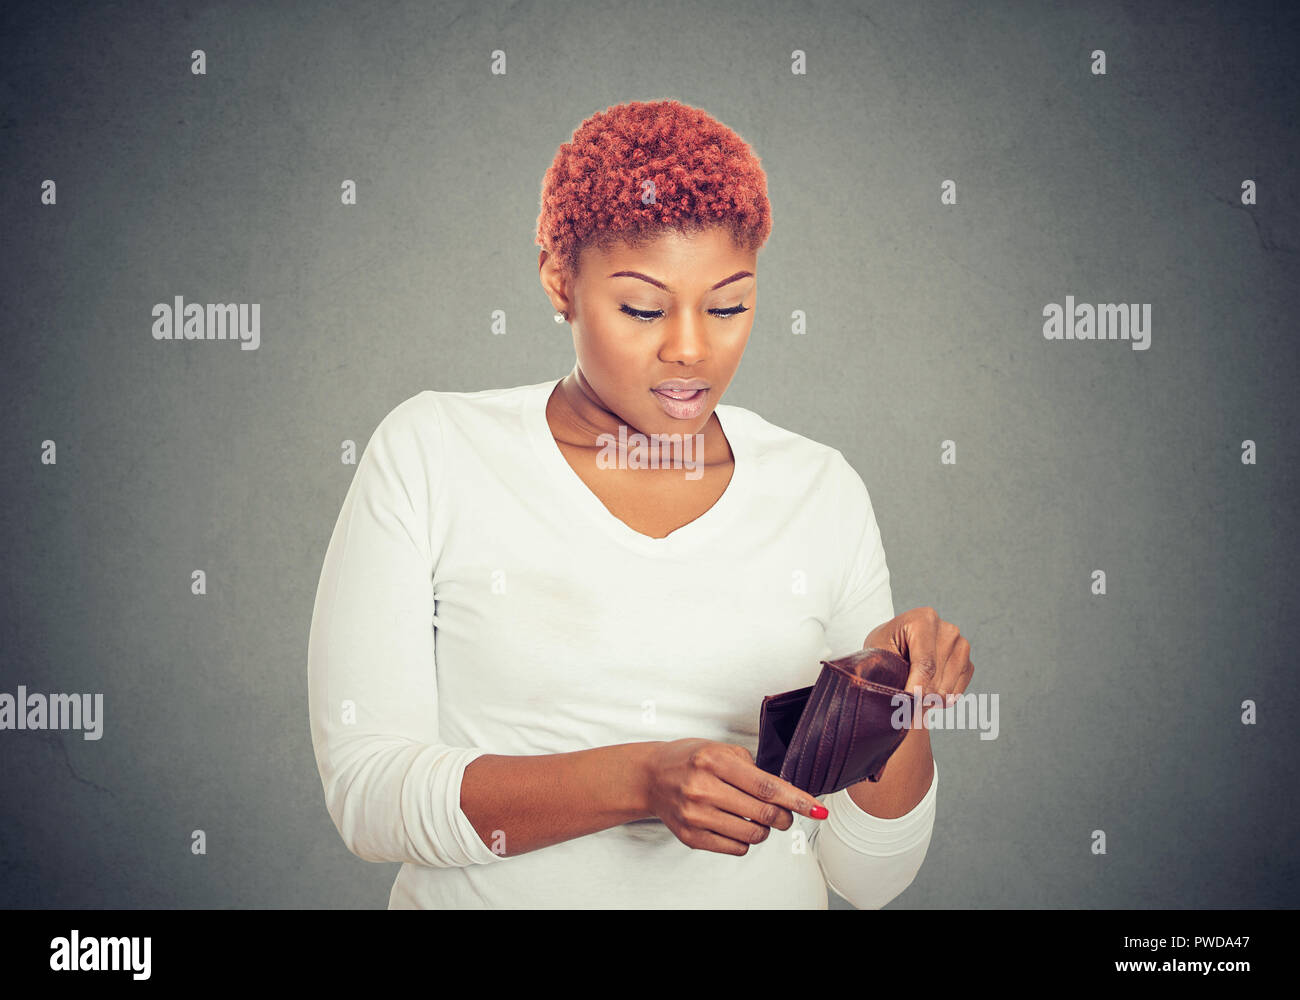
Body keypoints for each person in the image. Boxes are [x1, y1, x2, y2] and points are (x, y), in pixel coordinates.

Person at [307, 99, 974, 909]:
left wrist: (888, 698)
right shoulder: (433, 451)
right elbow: (370, 797)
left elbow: (869, 879)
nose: (690, 347)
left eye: (728, 306)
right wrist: (641, 780)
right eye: (643, 309)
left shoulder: (819, 488)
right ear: (560, 280)